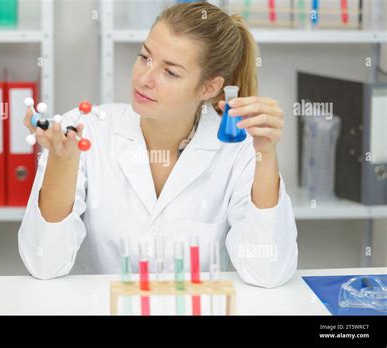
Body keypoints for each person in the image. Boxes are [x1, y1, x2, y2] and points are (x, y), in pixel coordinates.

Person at [18, 2, 298, 288]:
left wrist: (265, 153)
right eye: (144, 57)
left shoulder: (238, 147)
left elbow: (268, 271)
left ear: (209, 88)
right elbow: (44, 264)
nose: (144, 79)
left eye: (171, 72)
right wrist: (63, 162)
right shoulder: (85, 129)